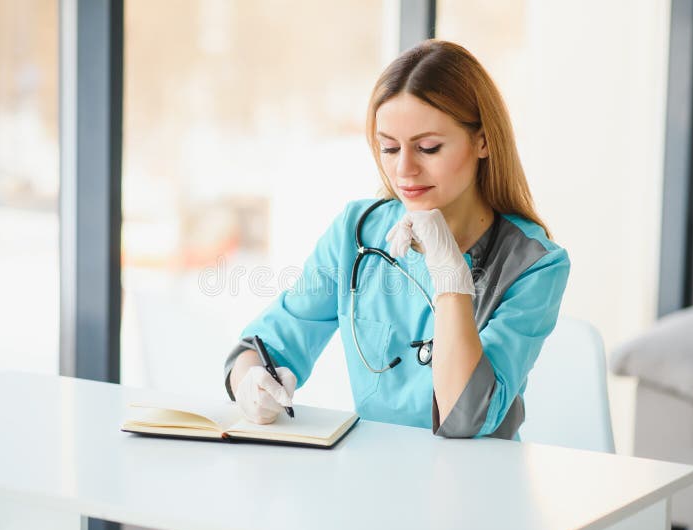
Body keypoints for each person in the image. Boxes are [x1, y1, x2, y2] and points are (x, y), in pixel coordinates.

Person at [223, 40, 570, 439]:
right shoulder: (357, 231)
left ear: (483, 141)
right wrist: (251, 384)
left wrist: (449, 274)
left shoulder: (535, 263)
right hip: (374, 479)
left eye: (428, 147)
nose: (403, 169)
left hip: (478, 486)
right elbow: (262, 347)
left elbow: (468, 418)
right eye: (389, 147)